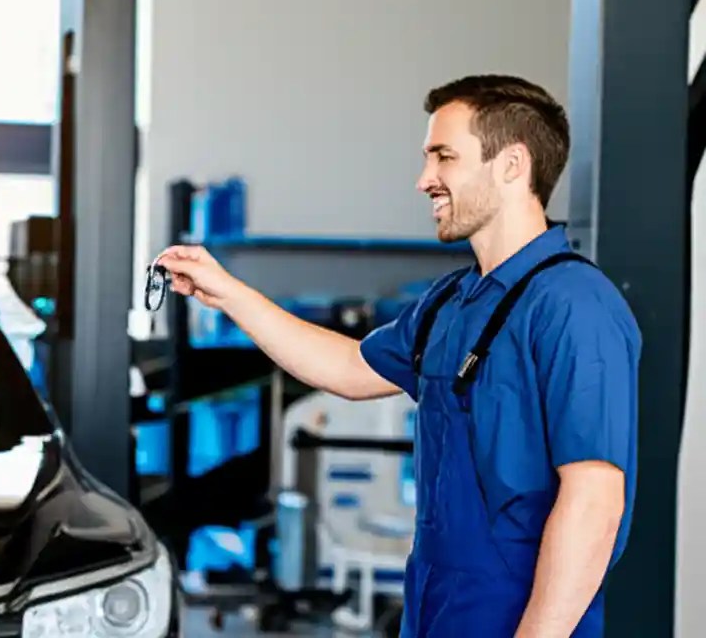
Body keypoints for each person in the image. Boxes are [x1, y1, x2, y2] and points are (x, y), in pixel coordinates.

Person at [156, 75, 640, 637]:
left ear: (512, 164)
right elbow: (347, 368)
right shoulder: (451, 303)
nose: (424, 180)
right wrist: (228, 293)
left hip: (514, 614)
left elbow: (594, 502)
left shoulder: (575, 304)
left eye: (444, 157)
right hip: (433, 605)